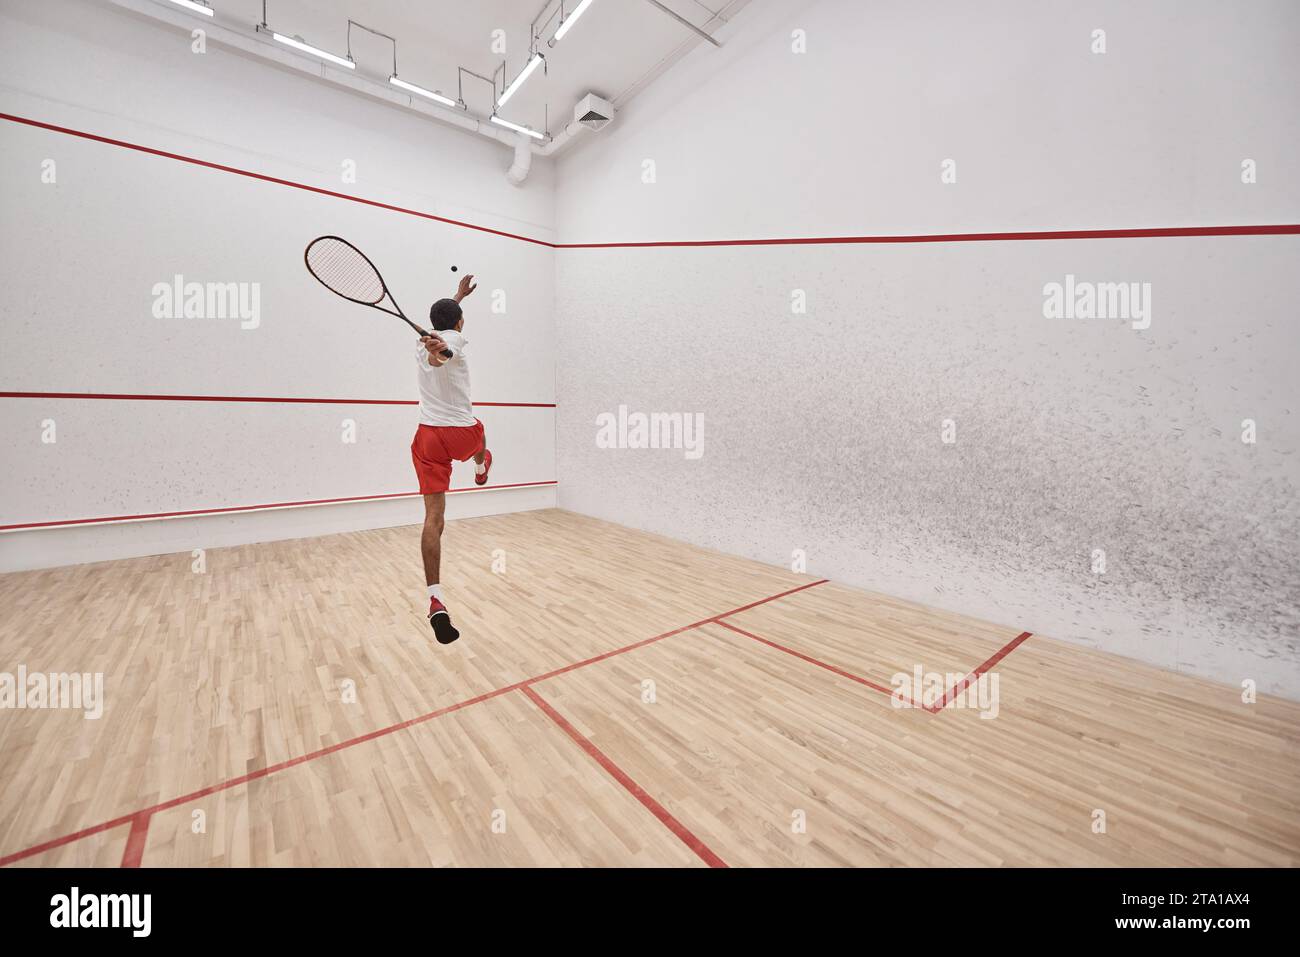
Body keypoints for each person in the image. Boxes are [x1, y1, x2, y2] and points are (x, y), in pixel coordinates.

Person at [410, 273, 491, 644]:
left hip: (428, 438)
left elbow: (440, 334)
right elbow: (445, 353)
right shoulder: (452, 338)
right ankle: (479, 464)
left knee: (433, 518)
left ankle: (435, 599)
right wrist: (437, 353)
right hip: (459, 434)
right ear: (458, 322)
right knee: (481, 433)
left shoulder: (420, 340)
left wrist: (457, 295)